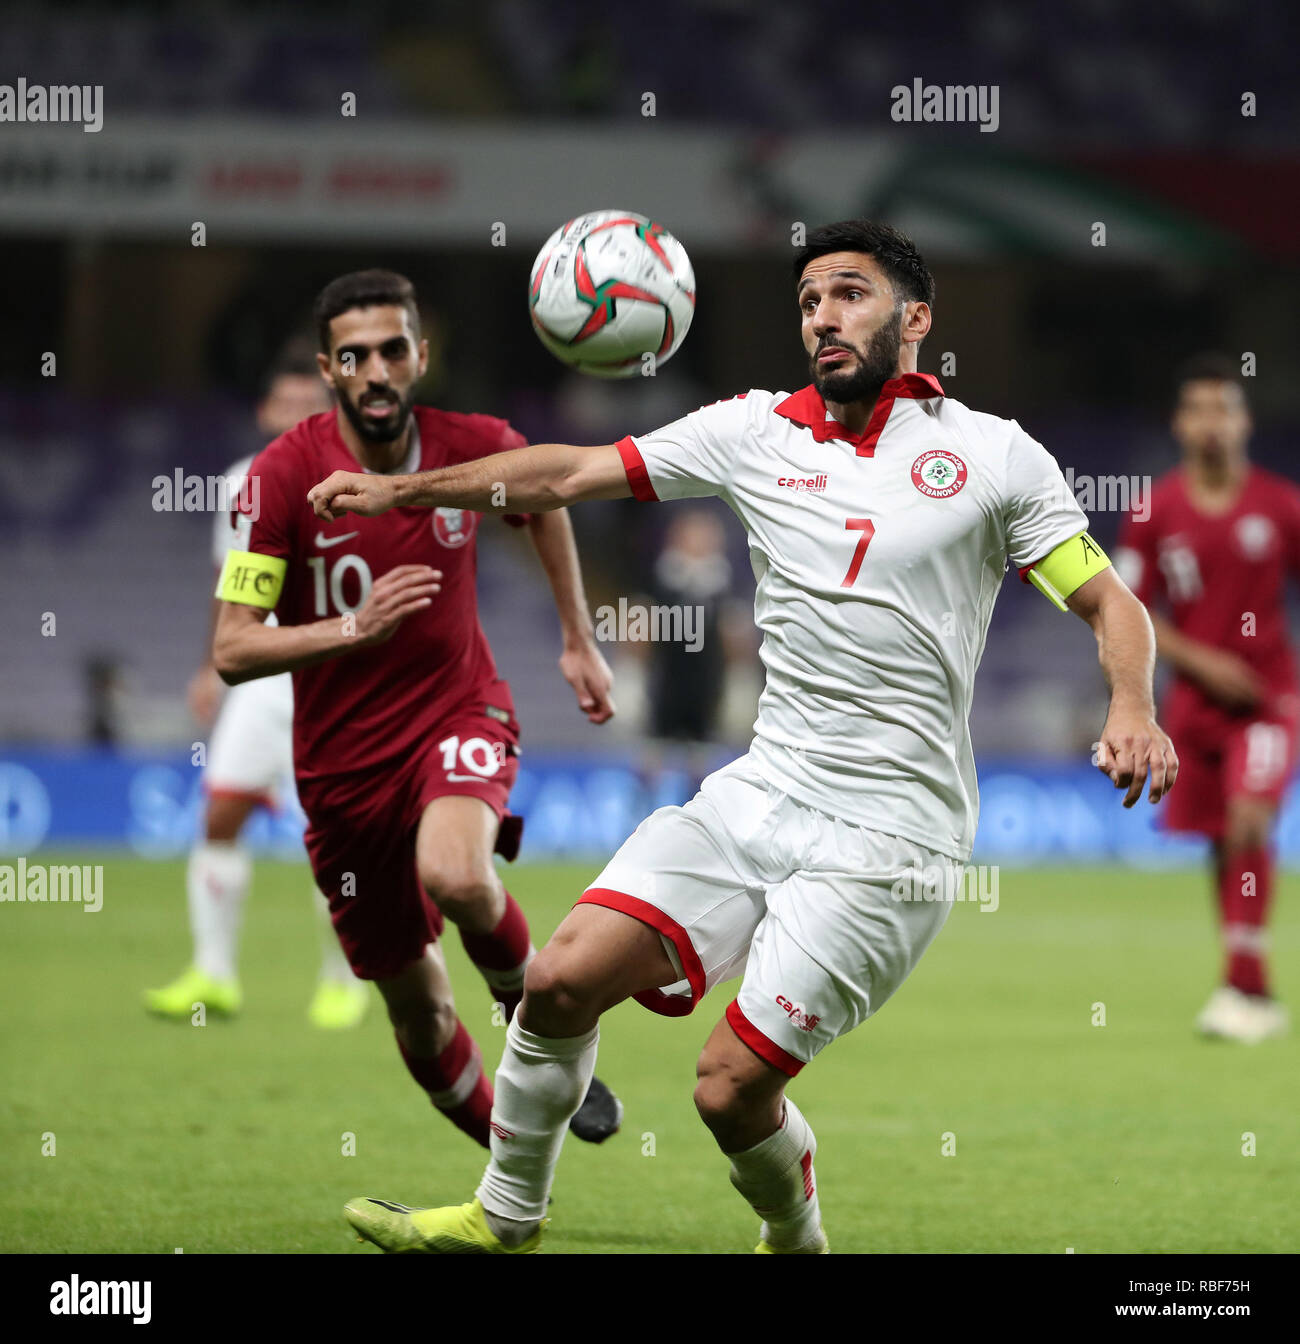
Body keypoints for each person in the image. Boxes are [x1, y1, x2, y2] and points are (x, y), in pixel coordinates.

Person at [310, 221, 1179, 1255]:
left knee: (727, 1091)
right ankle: (504, 1219)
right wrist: (406, 489)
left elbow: (1111, 604)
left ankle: (796, 1238)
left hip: (892, 838)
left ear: (915, 319)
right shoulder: (753, 432)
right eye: (809, 300)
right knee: (554, 983)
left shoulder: (992, 456)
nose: (822, 317)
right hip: (760, 792)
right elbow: (564, 476)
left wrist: (1131, 705)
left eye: (848, 294)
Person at [212, 269, 622, 1146]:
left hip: (456, 715)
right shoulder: (279, 480)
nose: (376, 370)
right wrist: (351, 627)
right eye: (353, 356)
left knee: (461, 874)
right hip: (341, 774)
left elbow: (545, 498)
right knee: (422, 1013)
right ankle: (515, 1154)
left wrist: (577, 637)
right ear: (329, 370)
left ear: (420, 356)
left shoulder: (468, 446)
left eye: (392, 350)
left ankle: (538, 1028)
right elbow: (233, 648)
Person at [144, 351, 368, 1029]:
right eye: (287, 402)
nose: (298, 414)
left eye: (312, 403)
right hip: (261, 678)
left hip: (330, 682)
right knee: (220, 817)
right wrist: (212, 665)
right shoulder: (244, 481)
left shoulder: (356, 480)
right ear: (266, 411)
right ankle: (214, 975)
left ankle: (343, 981)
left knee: (332, 839)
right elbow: (230, 576)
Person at [1116, 356, 1294, 1044]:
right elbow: (1130, 606)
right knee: (1223, 840)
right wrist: (1200, 660)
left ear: (1244, 422)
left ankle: (1240, 986)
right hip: (1197, 704)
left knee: (1251, 817)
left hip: (1270, 699)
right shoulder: (1155, 511)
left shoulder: (1280, 507)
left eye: (1225, 409)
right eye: (1200, 410)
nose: (1212, 423)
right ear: (1180, 424)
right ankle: (1254, 991)